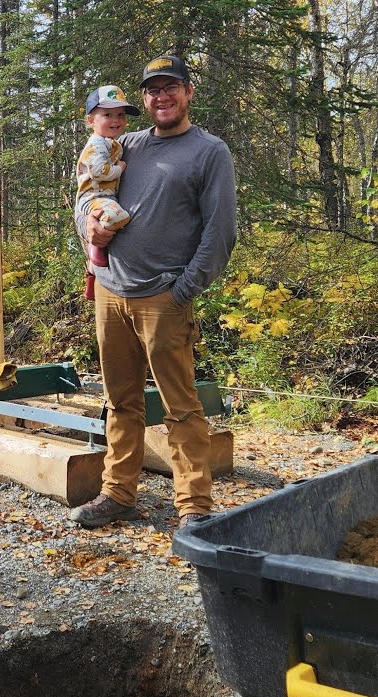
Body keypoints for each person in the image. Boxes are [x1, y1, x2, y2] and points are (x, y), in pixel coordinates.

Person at [68, 55, 238, 529]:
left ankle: (195, 508)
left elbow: (220, 233)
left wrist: (182, 291)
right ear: (143, 100)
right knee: (120, 402)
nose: (161, 96)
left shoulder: (209, 152)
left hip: (164, 299)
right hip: (109, 292)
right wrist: (90, 229)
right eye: (152, 90)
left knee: (181, 407)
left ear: (188, 92)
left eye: (171, 87)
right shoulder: (125, 146)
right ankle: (118, 493)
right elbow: (85, 194)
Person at [76, 85, 139, 299]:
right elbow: (99, 171)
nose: (116, 120)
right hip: (94, 197)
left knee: (116, 217)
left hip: (103, 197)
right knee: (119, 216)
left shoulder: (110, 142)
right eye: (107, 114)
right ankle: (94, 251)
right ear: (91, 120)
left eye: (120, 115)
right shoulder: (96, 144)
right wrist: (119, 169)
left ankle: (93, 268)